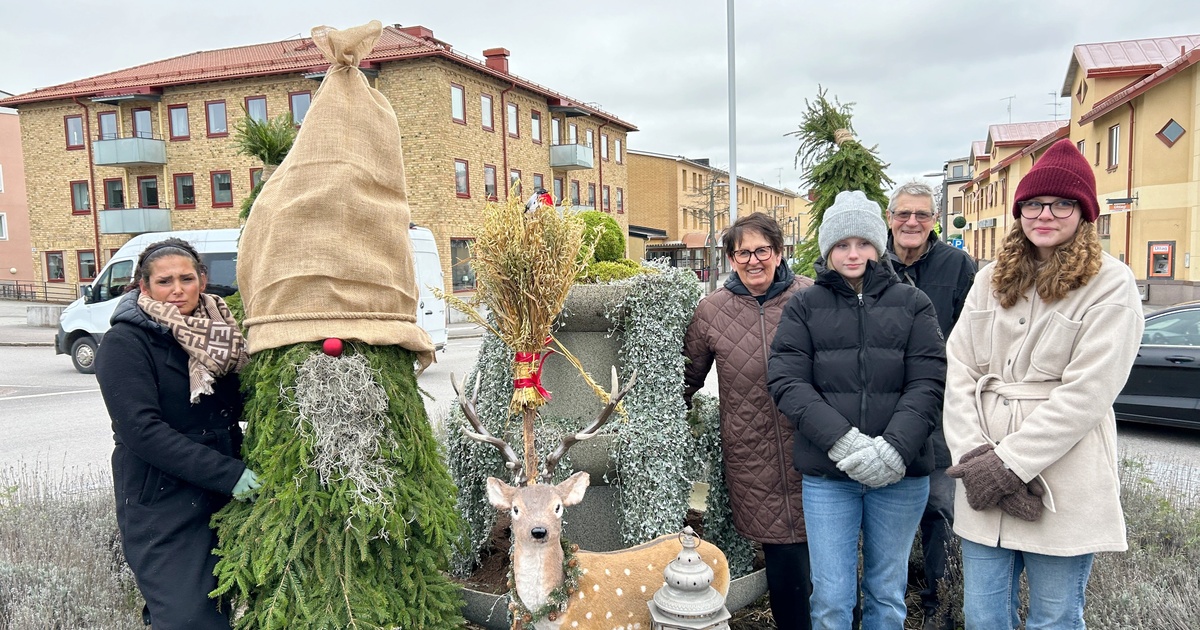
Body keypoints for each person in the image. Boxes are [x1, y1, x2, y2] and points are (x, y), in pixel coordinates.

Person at [943, 138, 1144, 629]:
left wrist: (1011, 465)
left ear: (1084, 211)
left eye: (1061, 203)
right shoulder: (990, 279)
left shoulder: (1110, 284)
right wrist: (976, 462)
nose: (1044, 214)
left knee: (1054, 619)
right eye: (1033, 203)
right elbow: (961, 371)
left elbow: (1087, 394)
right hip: (982, 478)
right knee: (983, 617)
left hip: (1064, 478)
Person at [769, 190, 946, 630]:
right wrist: (844, 441)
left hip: (900, 476)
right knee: (831, 597)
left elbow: (928, 382)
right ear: (828, 249)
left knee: (886, 596)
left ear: (878, 246)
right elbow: (788, 381)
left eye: (863, 243)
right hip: (831, 476)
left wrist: (892, 449)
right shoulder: (804, 306)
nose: (853, 253)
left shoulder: (913, 304)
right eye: (842, 244)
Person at [95, 237, 259, 629]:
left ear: (202, 280)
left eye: (186, 278)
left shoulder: (218, 334)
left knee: (222, 605)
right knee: (186, 615)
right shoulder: (125, 342)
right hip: (163, 495)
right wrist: (228, 475)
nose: (177, 290)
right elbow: (141, 431)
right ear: (143, 286)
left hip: (221, 488)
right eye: (164, 281)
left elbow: (237, 403)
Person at [683, 212, 815, 629]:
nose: (754, 260)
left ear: (778, 253)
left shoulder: (810, 297)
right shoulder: (712, 312)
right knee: (784, 558)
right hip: (752, 453)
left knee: (832, 555)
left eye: (763, 250)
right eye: (744, 252)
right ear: (731, 258)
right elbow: (686, 377)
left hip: (813, 447)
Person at [885, 181, 977, 630]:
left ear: (934, 220)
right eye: (904, 214)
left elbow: (973, 337)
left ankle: (936, 602)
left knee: (939, 509)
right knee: (881, 510)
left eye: (922, 215)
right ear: (890, 218)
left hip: (940, 414)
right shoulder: (869, 261)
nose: (912, 223)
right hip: (881, 412)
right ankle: (886, 597)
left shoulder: (957, 266)